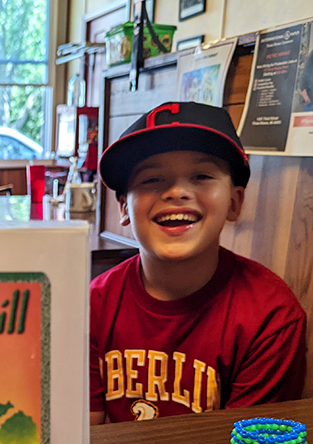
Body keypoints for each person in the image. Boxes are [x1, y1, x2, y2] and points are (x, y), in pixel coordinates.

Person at [90, 101, 306, 424]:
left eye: (201, 176)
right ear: (123, 207)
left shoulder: (271, 315)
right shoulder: (94, 305)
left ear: (234, 202)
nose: (177, 192)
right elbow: (83, 435)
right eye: (152, 179)